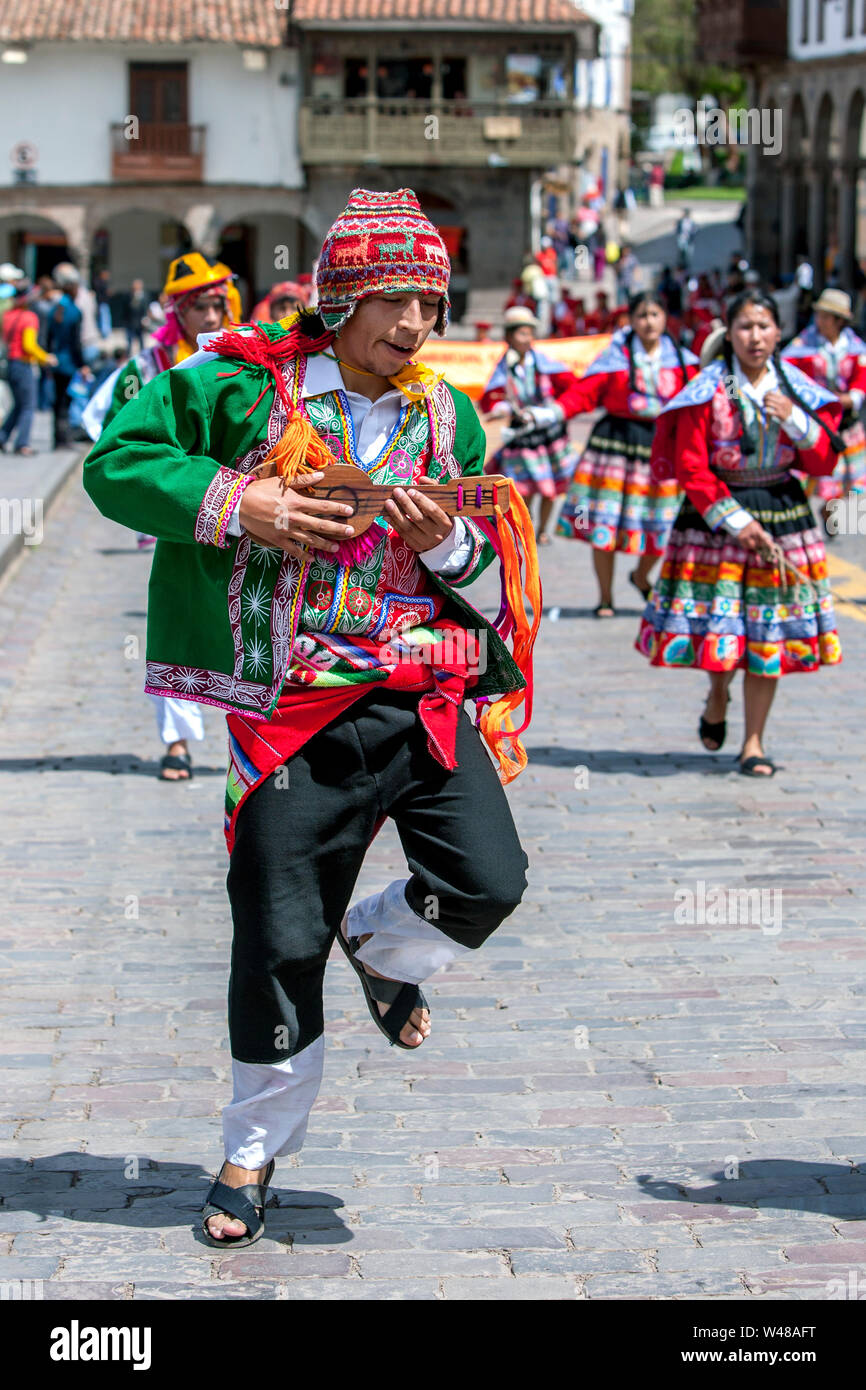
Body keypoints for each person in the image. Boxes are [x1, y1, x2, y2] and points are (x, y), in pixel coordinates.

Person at [83, 187, 539, 1246]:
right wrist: (245, 502)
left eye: (428, 302)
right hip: (291, 710)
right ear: (338, 297)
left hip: (419, 696)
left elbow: (485, 570)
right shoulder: (241, 388)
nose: (414, 326)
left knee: (488, 881)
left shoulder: (447, 413)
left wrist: (441, 545)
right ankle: (252, 1150)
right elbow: (116, 463)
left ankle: (381, 945)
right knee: (279, 939)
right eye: (392, 300)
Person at [636, 289, 843, 776]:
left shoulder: (797, 389)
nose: (756, 337)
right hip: (716, 521)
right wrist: (738, 523)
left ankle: (753, 742)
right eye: (746, 327)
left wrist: (793, 420)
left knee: (766, 634)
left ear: (778, 332)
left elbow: (825, 458)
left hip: (783, 516)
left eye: (765, 326)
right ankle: (717, 693)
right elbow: (692, 465)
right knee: (723, 627)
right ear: (729, 333)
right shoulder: (709, 389)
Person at [83, 252, 240, 782]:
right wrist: (152, 484)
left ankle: (256, 735)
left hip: (242, 515)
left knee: (245, 617)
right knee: (175, 622)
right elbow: (108, 434)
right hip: (177, 517)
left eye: (219, 304)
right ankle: (175, 740)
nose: (212, 316)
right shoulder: (145, 371)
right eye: (200, 306)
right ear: (178, 312)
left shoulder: (238, 361)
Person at [556, 291, 699, 613]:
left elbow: (697, 404)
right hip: (613, 448)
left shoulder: (684, 363)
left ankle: (641, 575)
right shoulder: (615, 358)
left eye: (655, 314)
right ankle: (605, 597)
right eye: (642, 316)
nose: (648, 322)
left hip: (661, 449)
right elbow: (583, 394)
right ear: (631, 321)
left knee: (663, 523)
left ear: (665, 318)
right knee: (602, 524)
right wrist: (552, 412)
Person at [480, 306, 580, 544]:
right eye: (521, 333)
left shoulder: (545, 364)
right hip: (521, 436)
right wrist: (501, 408)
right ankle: (528, 525)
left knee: (550, 487)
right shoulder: (504, 368)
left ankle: (543, 529)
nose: (526, 339)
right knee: (524, 488)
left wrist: (553, 410)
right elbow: (491, 398)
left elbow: (571, 387)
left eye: (529, 333)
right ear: (509, 337)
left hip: (549, 435)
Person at [783, 288, 866, 534]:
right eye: (818, 315)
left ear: (839, 321)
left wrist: (851, 397)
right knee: (825, 476)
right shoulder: (803, 345)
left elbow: (861, 379)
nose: (819, 321)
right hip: (819, 423)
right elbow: (787, 372)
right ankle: (824, 514)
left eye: (826, 317)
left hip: (847, 425)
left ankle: (840, 520)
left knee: (855, 482)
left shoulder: (856, 348)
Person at [0, 280, 58, 455]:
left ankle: (2, 437)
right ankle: (22, 443)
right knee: (28, 406)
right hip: (23, 364)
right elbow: (29, 345)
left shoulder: (8, 316)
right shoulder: (29, 318)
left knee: (18, 404)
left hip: (9, 363)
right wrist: (45, 358)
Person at [46, 263, 86, 449]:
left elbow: (48, 339)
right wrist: (82, 364)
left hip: (56, 361)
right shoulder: (75, 312)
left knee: (57, 401)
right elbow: (75, 343)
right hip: (69, 362)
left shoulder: (54, 311)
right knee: (67, 402)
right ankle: (64, 438)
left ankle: (57, 438)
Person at [125, 279, 149, 355]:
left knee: (141, 340)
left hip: (140, 322)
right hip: (130, 322)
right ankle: (128, 354)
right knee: (129, 340)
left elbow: (145, 308)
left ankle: (143, 354)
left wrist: (145, 318)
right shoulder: (129, 295)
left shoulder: (144, 295)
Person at [94, 269, 112, 339]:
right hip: (101, 303)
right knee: (103, 318)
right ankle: (104, 334)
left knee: (106, 317)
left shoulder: (103, 282)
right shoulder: (99, 282)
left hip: (104, 302)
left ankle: (106, 333)